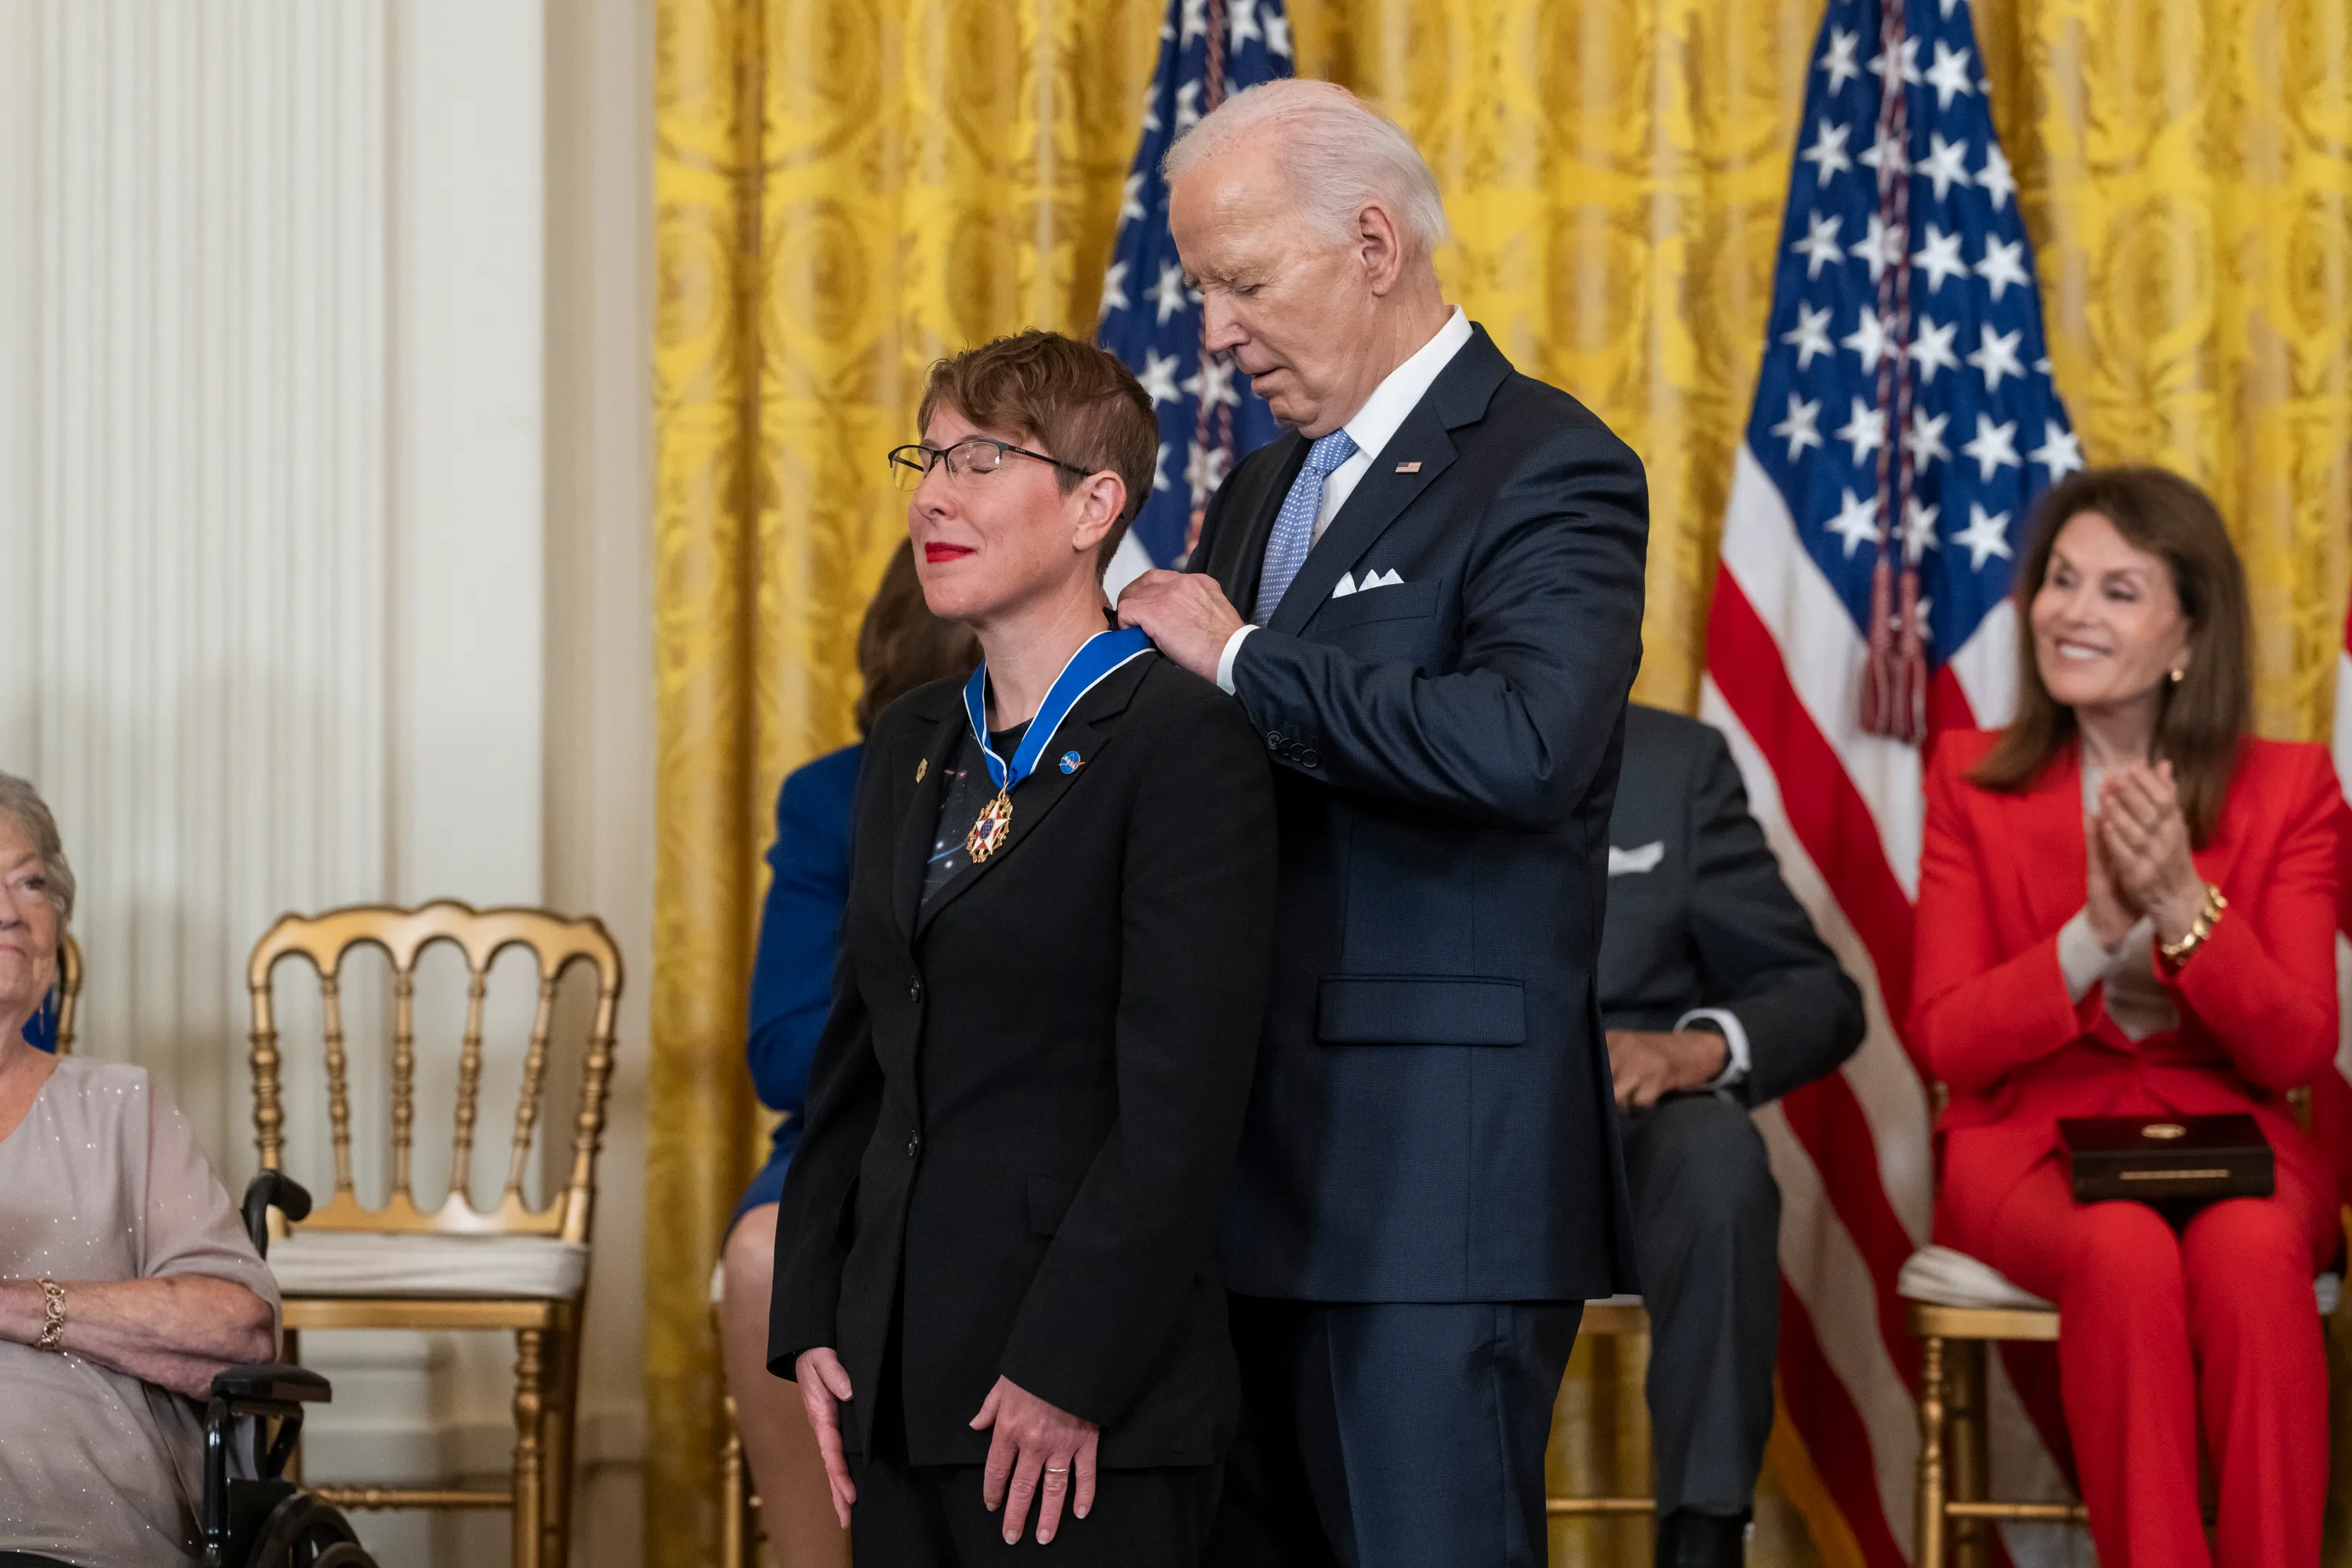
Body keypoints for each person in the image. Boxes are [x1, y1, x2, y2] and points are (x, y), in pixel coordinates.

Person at [1116, 81, 1650, 1567]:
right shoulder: (1259, 493)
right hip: (1241, 1179)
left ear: (1369, 242)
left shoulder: (1549, 464)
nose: (1214, 331)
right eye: (1200, 289)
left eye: (1241, 281)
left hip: (1431, 1186)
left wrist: (1235, 657)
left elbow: (1528, 744)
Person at [768, 329, 1279, 1566]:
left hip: (1080, 1389)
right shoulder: (909, 741)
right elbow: (858, 1055)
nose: (934, 494)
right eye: (928, 458)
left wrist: (1068, 1367)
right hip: (896, 1365)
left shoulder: (1186, 743)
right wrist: (816, 1310)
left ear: (1096, 505)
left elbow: (1183, 1106)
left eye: (983, 460)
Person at [1910, 467, 2339, 1568]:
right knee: (2123, 1254)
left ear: (2188, 633)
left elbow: (2295, 1047)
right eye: (2060, 582)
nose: (2072, 613)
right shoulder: (1970, 779)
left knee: (2252, 1258)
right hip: (2028, 1143)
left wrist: (2186, 911)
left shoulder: (2289, 790)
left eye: (2117, 590)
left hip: (2234, 1135)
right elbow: (1946, 1039)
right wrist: (2094, 932)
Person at [719, 542, 975, 1568]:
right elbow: (783, 1055)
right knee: (763, 1259)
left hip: (1044, 1142)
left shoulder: (1116, 775)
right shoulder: (834, 798)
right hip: (863, 1149)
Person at [1597, 705, 1864, 1568]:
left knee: (1716, 1154)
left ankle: (1705, 1535)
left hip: (1624, 1129)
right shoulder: (1365, 725)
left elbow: (1817, 994)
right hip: (1421, 1123)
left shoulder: (1673, 762)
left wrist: (1693, 1048)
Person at [0, 773, 281, 1566]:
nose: (9, 910)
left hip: (82, 1525)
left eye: (30, 881)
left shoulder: (122, 1106)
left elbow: (238, 1328)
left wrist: (21, 1305)